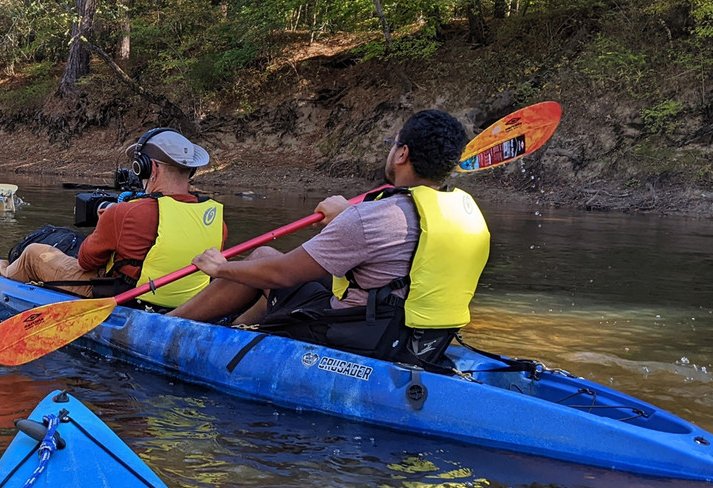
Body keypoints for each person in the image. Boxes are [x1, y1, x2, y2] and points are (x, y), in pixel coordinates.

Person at [167, 109, 490, 367]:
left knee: (264, 261)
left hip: (359, 337)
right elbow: (390, 254)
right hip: (421, 341)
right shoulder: (466, 213)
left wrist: (219, 267)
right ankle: (239, 331)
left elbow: (283, 274)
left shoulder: (372, 216)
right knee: (270, 257)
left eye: (393, 143)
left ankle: (162, 326)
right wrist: (346, 218)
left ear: (403, 153)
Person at [0, 128, 226, 308]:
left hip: (123, 297)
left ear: (149, 167)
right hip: (182, 303)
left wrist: (106, 222)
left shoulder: (127, 212)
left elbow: (86, 262)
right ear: (191, 170)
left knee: (33, 253)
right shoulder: (217, 221)